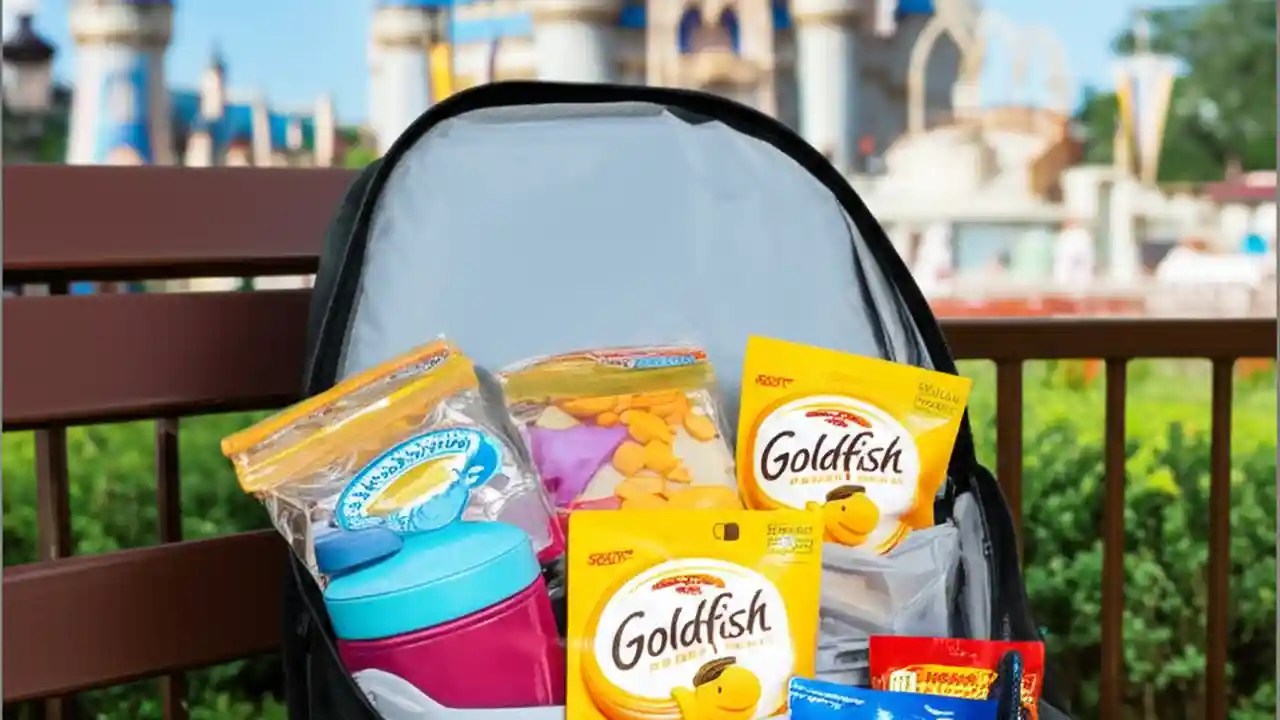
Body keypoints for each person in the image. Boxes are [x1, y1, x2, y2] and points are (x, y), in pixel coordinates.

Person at [1051, 218, 1095, 291]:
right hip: (1065, 276)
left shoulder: (1081, 236)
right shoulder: (1064, 236)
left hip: (1080, 275)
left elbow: (1082, 255)